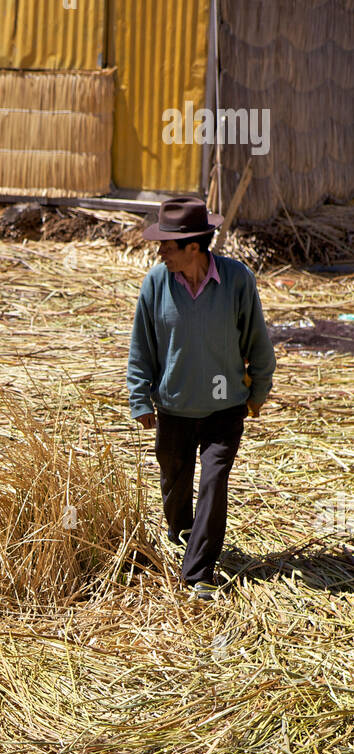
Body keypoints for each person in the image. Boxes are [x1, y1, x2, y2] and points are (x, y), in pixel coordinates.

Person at [127, 195, 276, 599]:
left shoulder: (236, 280)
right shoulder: (156, 283)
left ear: (194, 246)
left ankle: (198, 574)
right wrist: (139, 397)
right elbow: (142, 344)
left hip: (224, 408)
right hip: (173, 406)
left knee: (213, 482)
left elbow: (257, 340)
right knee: (175, 485)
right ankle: (182, 532)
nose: (160, 252)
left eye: (167, 245)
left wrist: (258, 390)